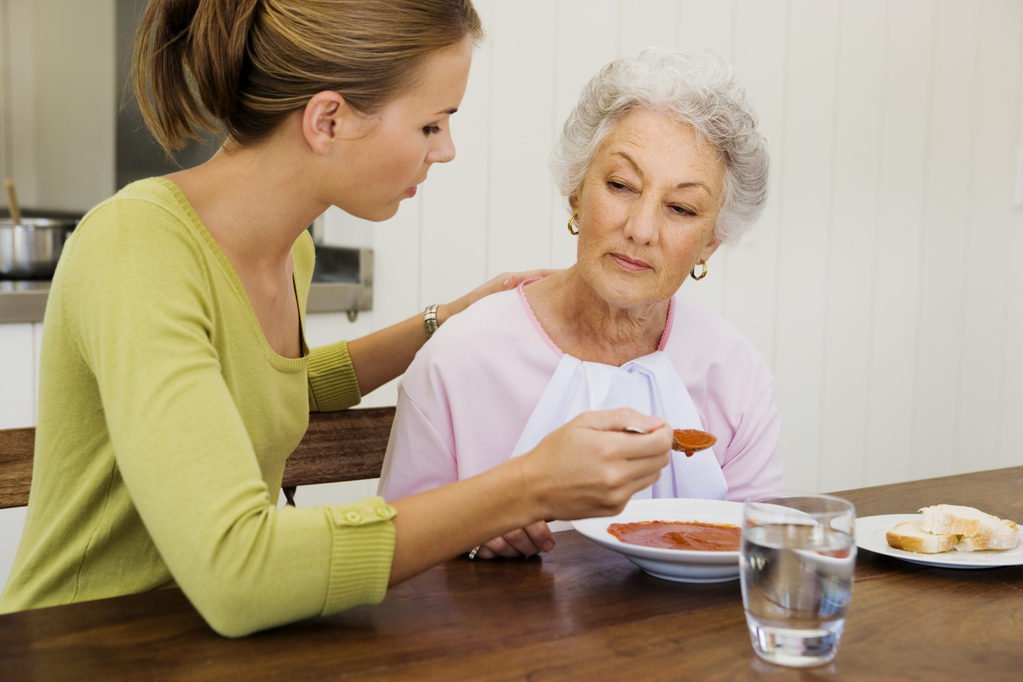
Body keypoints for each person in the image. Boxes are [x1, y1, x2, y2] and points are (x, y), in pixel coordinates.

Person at [0, 0, 675, 637]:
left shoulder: (285, 249)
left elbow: (273, 382)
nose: (445, 151)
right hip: (82, 643)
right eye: (430, 124)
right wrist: (528, 485)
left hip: (203, 647)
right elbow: (241, 570)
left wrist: (446, 319)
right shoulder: (137, 248)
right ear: (327, 120)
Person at [378, 48, 785, 560]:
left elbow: (759, 555)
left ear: (711, 242)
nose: (639, 230)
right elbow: (390, 557)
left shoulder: (735, 371)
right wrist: (468, 535)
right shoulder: (459, 357)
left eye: (681, 208)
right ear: (576, 191)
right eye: (620, 185)